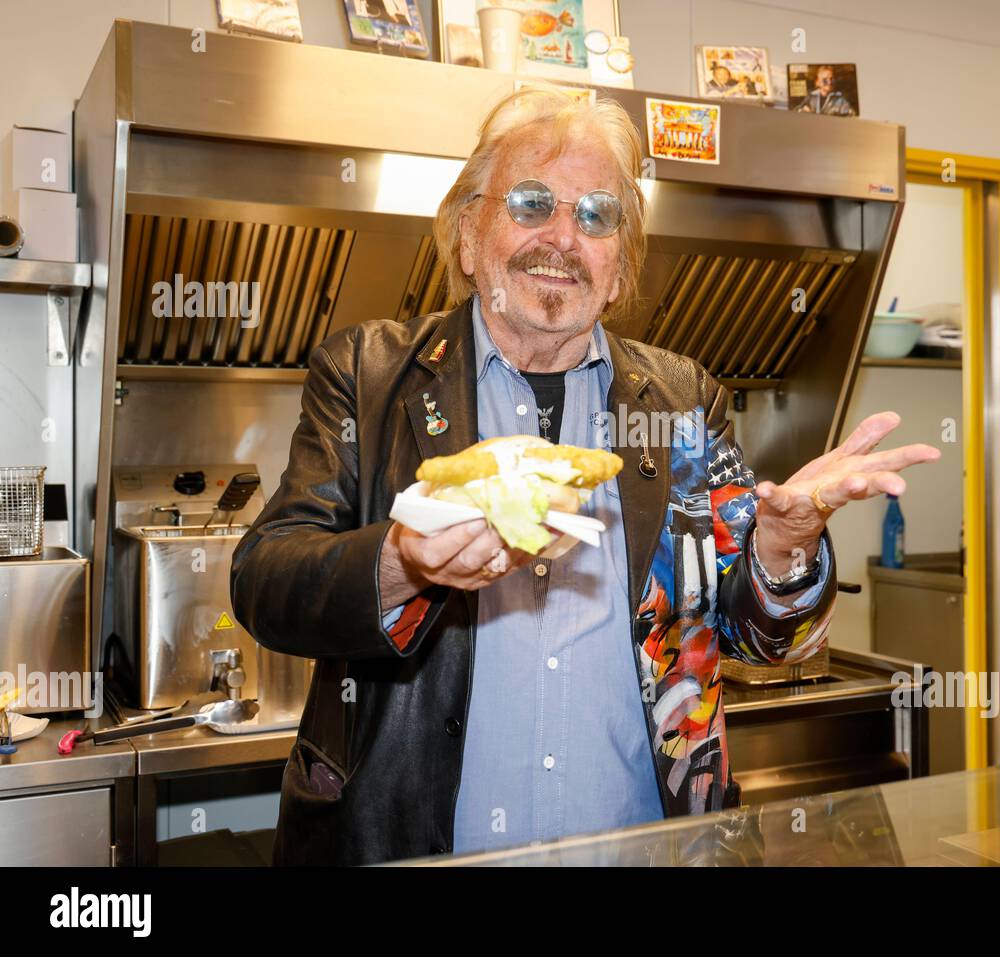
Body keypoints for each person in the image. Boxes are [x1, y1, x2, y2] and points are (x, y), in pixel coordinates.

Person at [231, 87, 939, 865]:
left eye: (598, 215)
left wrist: (786, 546)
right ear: (469, 233)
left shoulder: (683, 403)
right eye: (533, 202)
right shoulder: (368, 376)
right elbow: (266, 579)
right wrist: (401, 562)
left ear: (621, 265)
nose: (564, 236)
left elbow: (761, 637)